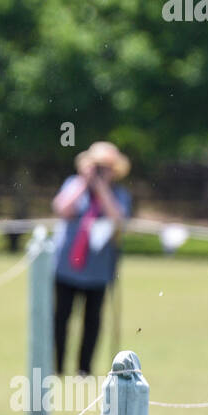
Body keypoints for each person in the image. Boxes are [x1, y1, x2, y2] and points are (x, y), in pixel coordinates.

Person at [51, 141, 133, 375]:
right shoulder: (73, 185)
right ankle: (56, 368)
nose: (100, 171)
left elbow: (118, 218)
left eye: (105, 167)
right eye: (97, 166)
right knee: (61, 319)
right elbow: (61, 207)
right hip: (66, 266)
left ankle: (83, 370)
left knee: (92, 322)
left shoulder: (118, 194)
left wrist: (101, 188)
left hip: (98, 269)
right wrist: (84, 182)